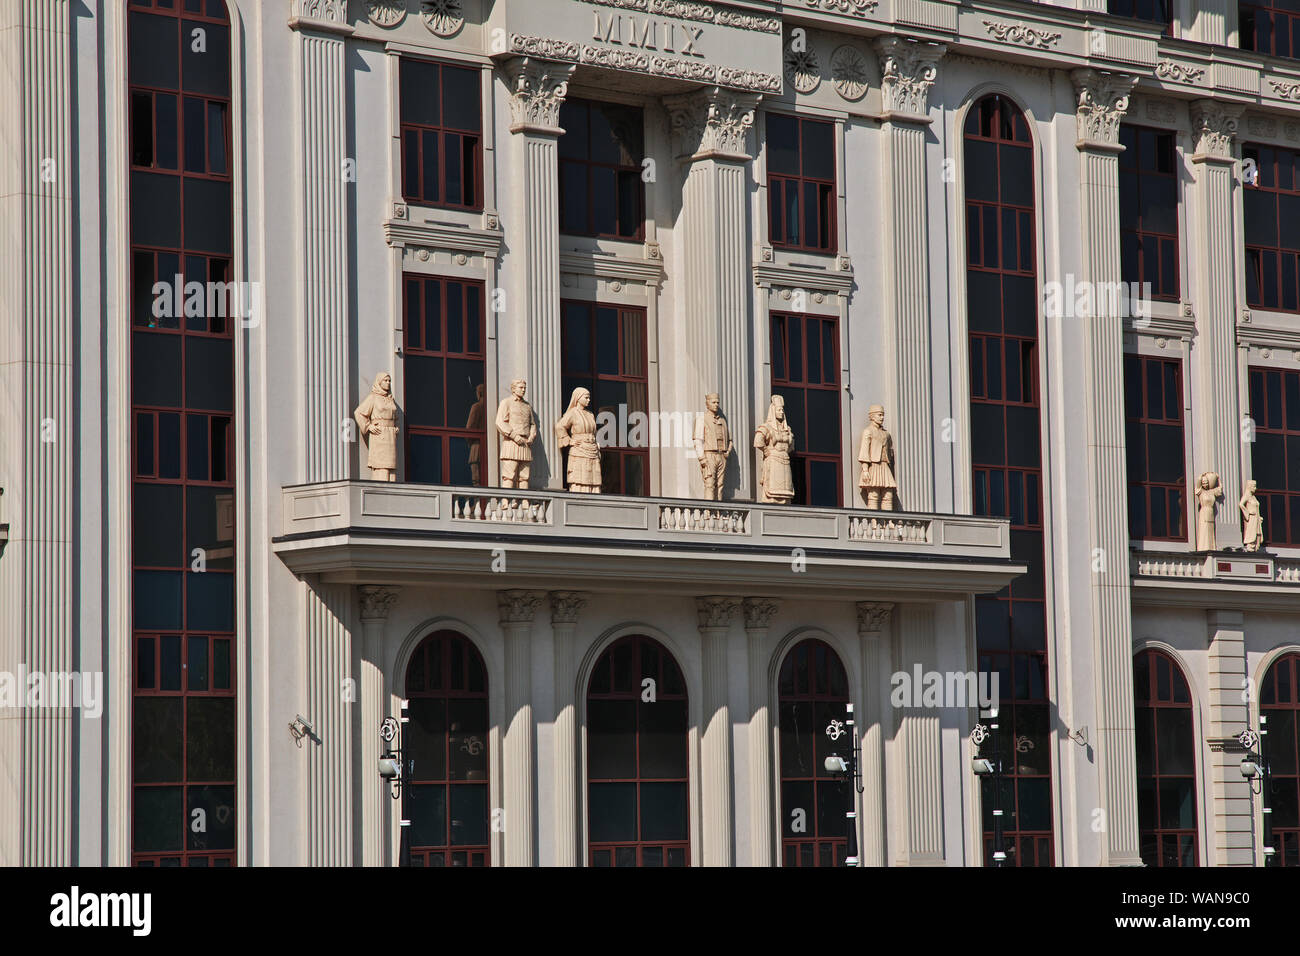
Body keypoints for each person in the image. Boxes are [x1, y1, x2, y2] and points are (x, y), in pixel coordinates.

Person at [556, 387, 602, 493]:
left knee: (594, 480)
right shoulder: (572, 413)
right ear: (578, 398)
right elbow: (560, 427)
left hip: (592, 449)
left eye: (589, 398)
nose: (588, 400)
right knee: (580, 478)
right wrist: (569, 440)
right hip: (579, 449)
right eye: (586, 397)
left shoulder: (590, 414)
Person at [354, 371, 398, 482]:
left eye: (389, 381)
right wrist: (368, 426)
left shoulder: (390, 399)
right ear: (379, 382)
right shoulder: (373, 397)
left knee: (391, 467)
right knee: (381, 466)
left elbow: (395, 417)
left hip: (390, 435)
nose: (388, 383)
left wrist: (395, 427)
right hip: (380, 434)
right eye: (385, 380)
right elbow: (359, 412)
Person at [495, 379, 537, 489]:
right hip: (511, 443)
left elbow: (532, 424)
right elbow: (499, 422)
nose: (523, 390)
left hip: (525, 443)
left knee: (524, 476)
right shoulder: (506, 402)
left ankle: (524, 501)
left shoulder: (527, 406)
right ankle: (506, 501)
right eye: (521, 387)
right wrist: (514, 436)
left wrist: (532, 436)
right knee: (509, 474)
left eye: (524, 388)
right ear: (513, 389)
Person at [754, 395, 795, 504]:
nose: (781, 412)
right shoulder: (767, 427)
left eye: (782, 409)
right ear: (773, 411)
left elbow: (791, 446)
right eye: (779, 409)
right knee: (772, 492)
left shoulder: (787, 429)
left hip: (785, 461)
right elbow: (758, 441)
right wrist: (767, 451)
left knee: (786, 492)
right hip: (773, 461)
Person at [693, 392, 734, 501]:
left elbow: (730, 440)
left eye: (717, 402)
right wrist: (702, 458)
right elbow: (698, 440)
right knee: (709, 484)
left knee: (720, 485)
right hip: (709, 455)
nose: (716, 404)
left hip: (722, 455)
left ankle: (717, 511)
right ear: (707, 404)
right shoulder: (702, 418)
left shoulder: (723, 420)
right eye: (713, 402)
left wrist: (728, 451)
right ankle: (709, 511)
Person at [858, 404, 897, 511]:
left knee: (888, 495)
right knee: (873, 495)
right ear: (872, 416)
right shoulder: (868, 431)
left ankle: (888, 521)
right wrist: (865, 470)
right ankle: (874, 522)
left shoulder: (886, 434)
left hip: (884, 466)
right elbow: (864, 451)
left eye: (883, 415)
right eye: (879, 415)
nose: (882, 417)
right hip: (873, 466)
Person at [1194, 471, 1223, 552]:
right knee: (1204, 529)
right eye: (1203, 483)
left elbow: (1220, 488)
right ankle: (1204, 547)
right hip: (1204, 511)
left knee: (1210, 530)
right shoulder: (1200, 492)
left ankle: (1211, 547)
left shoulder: (1211, 492)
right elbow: (1197, 484)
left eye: (1206, 483)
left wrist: (1218, 478)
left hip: (1210, 512)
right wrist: (1201, 476)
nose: (1205, 484)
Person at [465, 383, 486, 486]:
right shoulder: (491, 407)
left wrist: (469, 442)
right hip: (487, 448)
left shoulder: (476, 407)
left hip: (476, 447)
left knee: (476, 479)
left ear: (479, 393)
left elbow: (469, 429)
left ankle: (479, 500)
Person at [1240, 479, 1264, 552]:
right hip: (1252, 518)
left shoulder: (1253, 497)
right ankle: (1250, 546)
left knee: (1258, 533)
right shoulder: (1247, 496)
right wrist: (1248, 513)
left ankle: (1256, 547)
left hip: (1256, 518)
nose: (1255, 488)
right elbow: (1241, 504)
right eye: (1254, 486)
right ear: (1249, 487)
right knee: (1252, 532)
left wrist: (1259, 517)